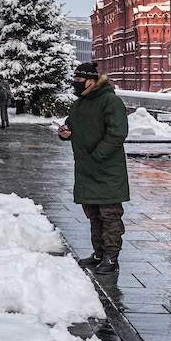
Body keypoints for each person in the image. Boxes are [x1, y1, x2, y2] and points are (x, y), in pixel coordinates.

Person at [58, 62, 129, 274]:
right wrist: (65, 132)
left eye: (79, 82)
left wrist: (98, 155)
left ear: (91, 81)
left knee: (110, 215)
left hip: (107, 170)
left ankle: (111, 257)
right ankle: (98, 253)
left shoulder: (110, 102)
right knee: (94, 214)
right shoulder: (79, 104)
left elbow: (117, 133)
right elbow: (70, 124)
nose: (75, 85)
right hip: (87, 170)